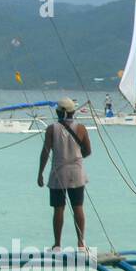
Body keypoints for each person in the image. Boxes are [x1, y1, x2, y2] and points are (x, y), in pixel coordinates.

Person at [37, 97, 92, 251]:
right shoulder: (81, 128)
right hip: (77, 172)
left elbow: (45, 152)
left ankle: (57, 244)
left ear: (58, 112)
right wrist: (76, 157)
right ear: (73, 112)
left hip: (58, 173)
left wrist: (40, 173)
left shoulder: (51, 129)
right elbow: (87, 151)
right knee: (78, 207)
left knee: (58, 209)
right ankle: (81, 243)